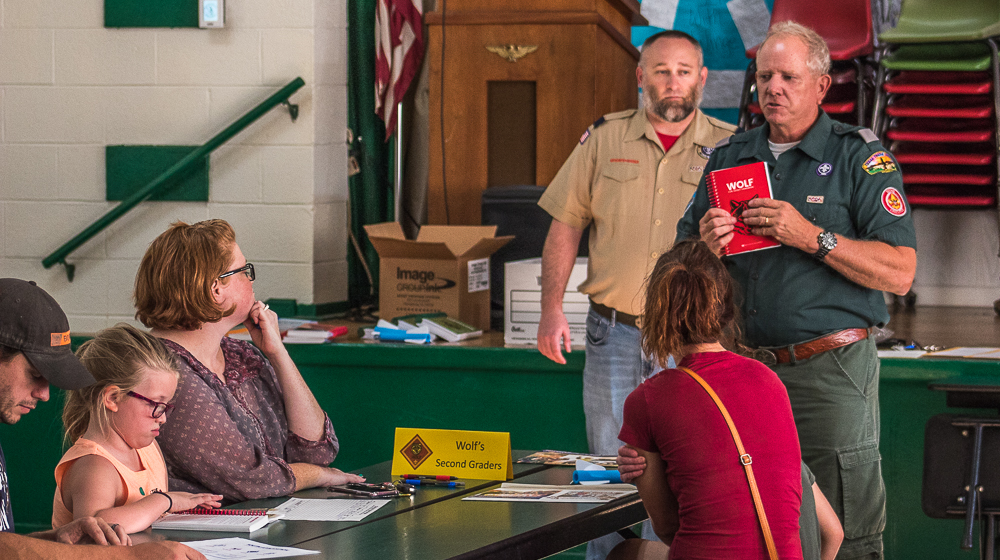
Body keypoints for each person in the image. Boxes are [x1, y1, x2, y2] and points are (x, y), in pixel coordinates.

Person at [670, 22, 916, 559]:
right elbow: (677, 270)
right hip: (741, 369)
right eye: (764, 76)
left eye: (788, 76)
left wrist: (812, 237)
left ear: (822, 85)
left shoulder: (861, 158)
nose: (773, 88)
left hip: (828, 371)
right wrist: (702, 250)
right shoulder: (729, 157)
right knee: (749, 519)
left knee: (845, 529)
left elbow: (900, 271)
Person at [537, 29, 737, 470]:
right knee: (610, 469)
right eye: (661, 71)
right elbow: (565, 225)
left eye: (683, 72)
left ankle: (665, 547)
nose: (672, 82)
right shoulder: (604, 140)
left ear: (701, 78)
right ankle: (617, 545)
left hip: (693, 337)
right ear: (640, 76)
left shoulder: (730, 148)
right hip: (615, 334)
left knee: (685, 468)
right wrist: (551, 308)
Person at [134, 220, 363, 503]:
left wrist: (278, 354)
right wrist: (317, 476)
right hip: (196, 539)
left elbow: (316, 451)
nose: (251, 280)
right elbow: (252, 480)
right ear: (215, 288)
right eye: (244, 270)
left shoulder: (240, 354)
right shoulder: (166, 372)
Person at [609, 240, 811, 559]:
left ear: (656, 314)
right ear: (727, 310)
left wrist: (649, 473)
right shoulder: (768, 379)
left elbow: (666, 527)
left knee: (624, 553)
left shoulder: (647, 399)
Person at [0, 278, 204, 559]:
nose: (45, 395)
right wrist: (134, 555)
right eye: (35, 374)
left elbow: (6, 544)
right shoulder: (93, 465)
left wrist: (58, 539)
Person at [54, 324, 223, 533]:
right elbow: (96, 528)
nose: (162, 419)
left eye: (166, 406)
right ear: (113, 398)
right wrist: (164, 501)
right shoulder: (94, 466)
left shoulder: (147, 449)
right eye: (155, 405)